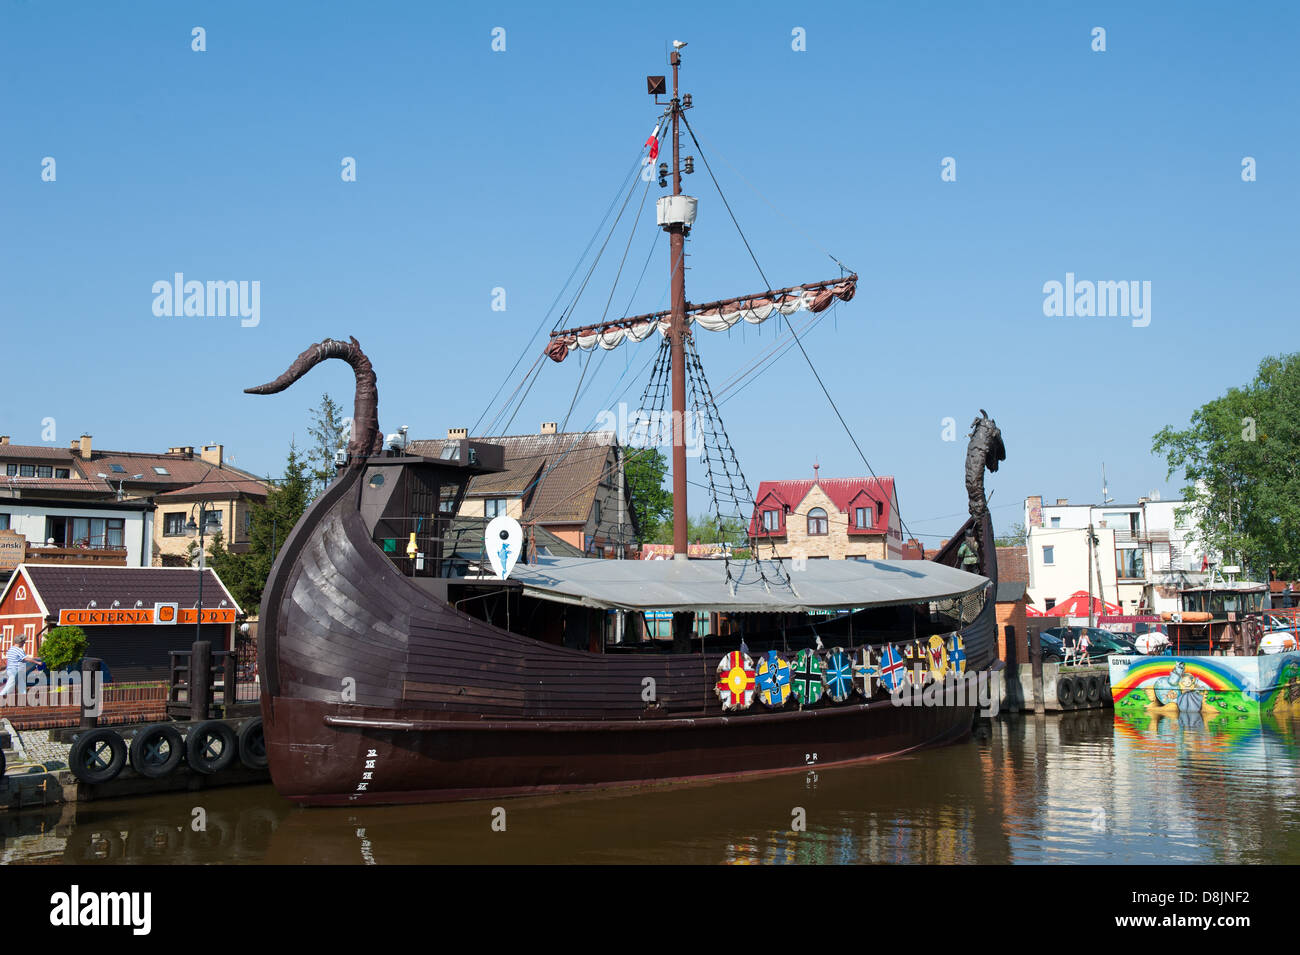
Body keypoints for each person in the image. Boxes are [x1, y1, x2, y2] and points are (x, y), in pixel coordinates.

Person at [1, 634, 39, 702]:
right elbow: (26, 658)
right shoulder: (19, 650)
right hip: (15, 670)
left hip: (11, 670)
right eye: (24, 642)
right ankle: (1, 696)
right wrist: (38, 662)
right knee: (10, 685)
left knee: (21, 685)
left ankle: (23, 700)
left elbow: (20, 659)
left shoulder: (11, 649)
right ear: (20, 642)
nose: (24, 643)